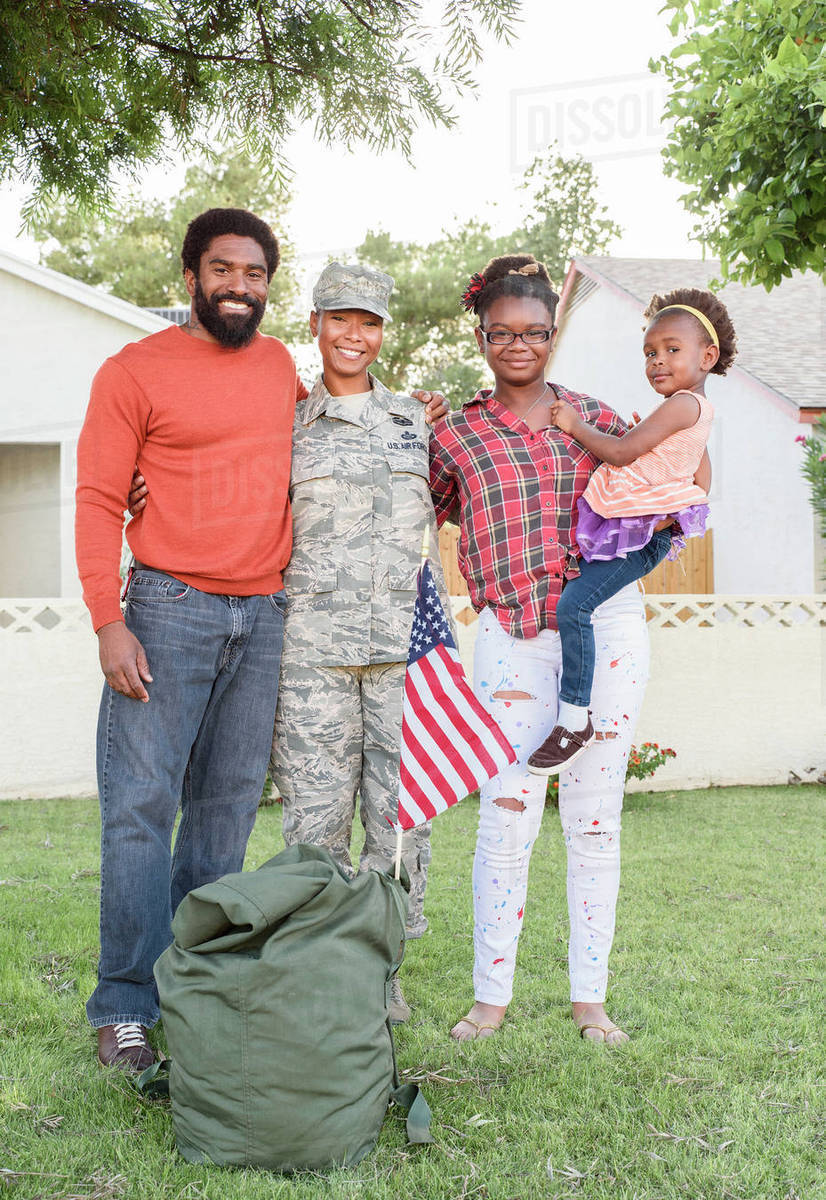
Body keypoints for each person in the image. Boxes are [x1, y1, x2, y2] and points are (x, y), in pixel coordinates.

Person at [428, 254, 711, 1045]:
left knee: (594, 821)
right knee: (507, 816)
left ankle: (591, 999)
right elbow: (414, 504)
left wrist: (665, 529)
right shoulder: (455, 433)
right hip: (513, 644)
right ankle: (491, 997)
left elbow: (686, 463)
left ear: (552, 334)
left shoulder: (599, 417)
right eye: (502, 333)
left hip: (608, 633)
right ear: (481, 334)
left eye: (535, 332)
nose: (519, 345)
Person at [76, 208, 303, 1071]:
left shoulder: (282, 367)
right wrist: (109, 620)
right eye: (223, 270)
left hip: (265, 615)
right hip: (166, 612)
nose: (239, 287)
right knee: (140, 810)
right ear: (191, 278)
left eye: (254, 275)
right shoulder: (134, 371)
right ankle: (125, 1006)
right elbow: (100, 497)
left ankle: (194, 993)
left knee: (224, 818)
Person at [269, 262, 451, 1024]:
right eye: (340, 317)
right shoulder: (281, 426)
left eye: (370, 321)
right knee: (314, 824)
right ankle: (318, 973)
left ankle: (382, 972)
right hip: (311, 654)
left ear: (384, 332)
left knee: (402, 819)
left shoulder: (418, 419)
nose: (355, 333)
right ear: (314, 324)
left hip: (404, 651)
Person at [527, 288, 736, 775]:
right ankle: (575, 711)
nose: (657, 361)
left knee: (575, 605)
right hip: (648, 531)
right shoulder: (695, 415)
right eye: (649, 352)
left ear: (707, 356)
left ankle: (575, 716)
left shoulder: (683, 406)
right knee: (578, 596)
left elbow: (619, 453)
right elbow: (700, 482)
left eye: (671, 350)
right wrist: (662, 479)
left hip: (645, 537)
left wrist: (574, 424)